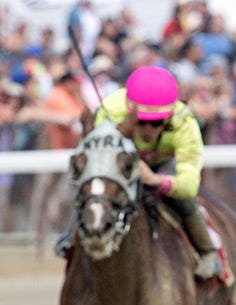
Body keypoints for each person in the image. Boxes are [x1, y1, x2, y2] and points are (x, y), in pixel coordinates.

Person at [56, 64, 220, 279]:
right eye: (142, 121)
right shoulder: (110, 111)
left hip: (163, 167)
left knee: (183, 200)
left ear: (169, 117)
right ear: (131, 112)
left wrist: (156, 180)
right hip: (120, 165)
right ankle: (71, 233)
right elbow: (98, 161)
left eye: (156, 123)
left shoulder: (185, 125)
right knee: (96, 188)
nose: (148, 129)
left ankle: (207, 250)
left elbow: (189, 185)